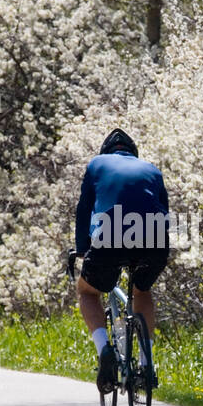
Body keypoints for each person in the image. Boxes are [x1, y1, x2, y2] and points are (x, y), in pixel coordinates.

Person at [72, 128, 169, 392]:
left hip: (110, 236)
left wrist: (82, 249)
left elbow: (84, 209)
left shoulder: (96, 164)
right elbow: (165, 211)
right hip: (154, 238)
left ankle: (105, 350)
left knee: (87, 292)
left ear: (106, 152)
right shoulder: (152, 169)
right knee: (142, 290)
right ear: (133, 153)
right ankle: (147, 362)